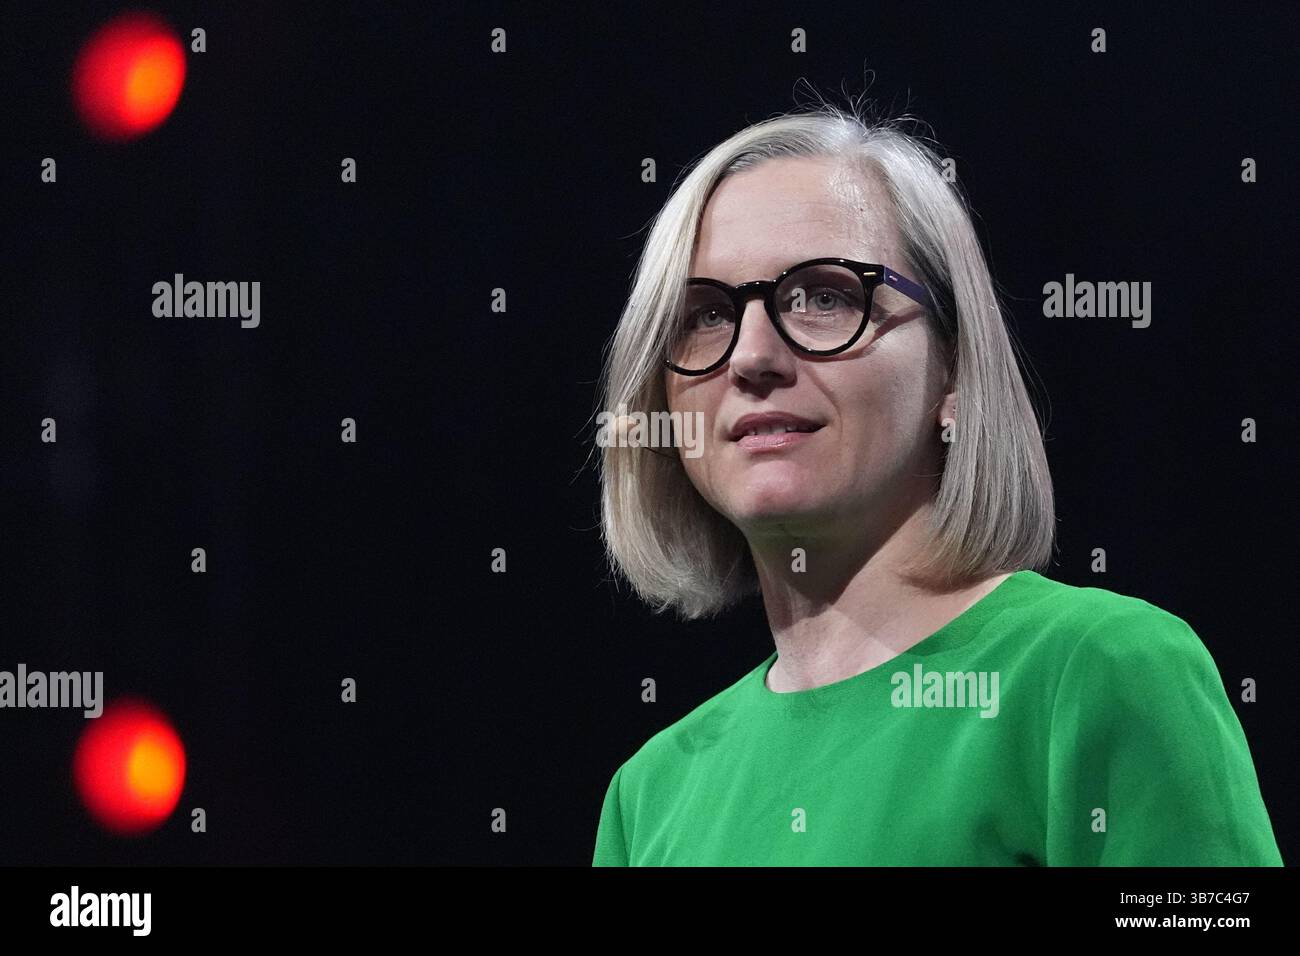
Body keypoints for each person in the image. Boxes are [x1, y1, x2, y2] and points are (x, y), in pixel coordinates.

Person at [590, 102, 1282, 866]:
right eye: (706, 315)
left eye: (826, 296)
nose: (753, 357)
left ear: (952, 368)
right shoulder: (649, 795)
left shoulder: (1100, 671)